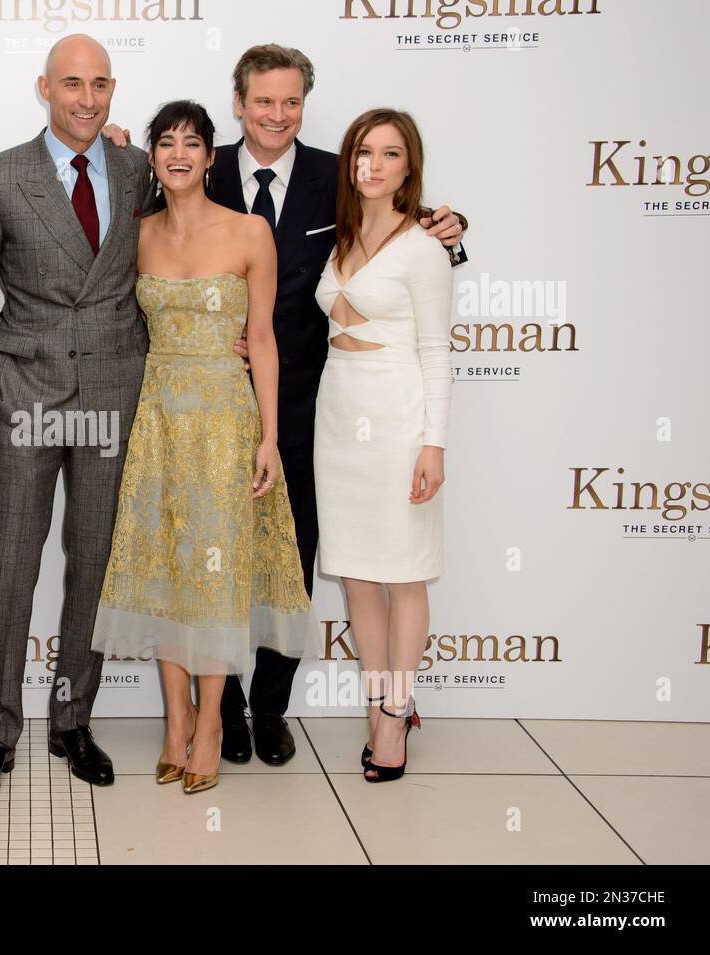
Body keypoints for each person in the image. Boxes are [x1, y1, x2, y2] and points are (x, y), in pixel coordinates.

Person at [207, 44, 467, 766]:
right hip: (219, 397)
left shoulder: (336, 177)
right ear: (240, 103)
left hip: (314, 402)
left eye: (291, 102)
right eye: (263, 101)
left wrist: (456, 229)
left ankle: (270, 705)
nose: (277, 115)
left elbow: (411, 242)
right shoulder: (204, 168)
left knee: (295, 558)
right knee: (221, 553)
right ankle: (225, 706)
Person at [90, 101, 316, 794]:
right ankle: (175, 721)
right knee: (165, 570)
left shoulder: (250, 231)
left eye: (193, 142)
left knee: (215, 577)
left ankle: (213, 721)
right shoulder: (138, 234)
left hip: (225, 419)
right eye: (165, 143)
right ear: (152, 157)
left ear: (212, 156)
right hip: (158, 418)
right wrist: (108, 144)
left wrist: (270, 438)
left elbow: (267, 340)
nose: (179, 153)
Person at [0, 34, 150, 794]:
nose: (87, 99)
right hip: (27, 397)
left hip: (113, 393)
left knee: (95, 567)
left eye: (100, 84)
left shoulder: (138, 168)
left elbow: (216, 187)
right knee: (10, 565)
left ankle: (74, 719)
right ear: (45, 87)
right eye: (73, 84)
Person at [313, 108, 454, 782]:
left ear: (409, 166)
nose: (372, 164)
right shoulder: (341, 235)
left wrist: (435, 444)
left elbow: (436, 351)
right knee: (359, 571)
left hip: (399, 419)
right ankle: (376, 698)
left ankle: (397, 712)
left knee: (404, 570)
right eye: (362, 151)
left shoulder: (423, 246)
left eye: (388, 154)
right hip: (339, 416)